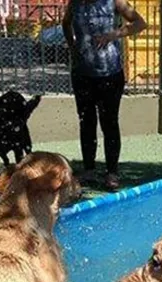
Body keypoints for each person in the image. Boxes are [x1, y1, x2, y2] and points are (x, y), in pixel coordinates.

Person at [62, 0, 147, 191]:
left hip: (110, 74)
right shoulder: (75, 3)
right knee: (86, 122)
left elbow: (140, 23)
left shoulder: (114, 2)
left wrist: (113, 35)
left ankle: (112, 172)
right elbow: (65, 23)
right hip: (82, 73)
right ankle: (89, 170)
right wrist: (72, 46)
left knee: (109, 122)